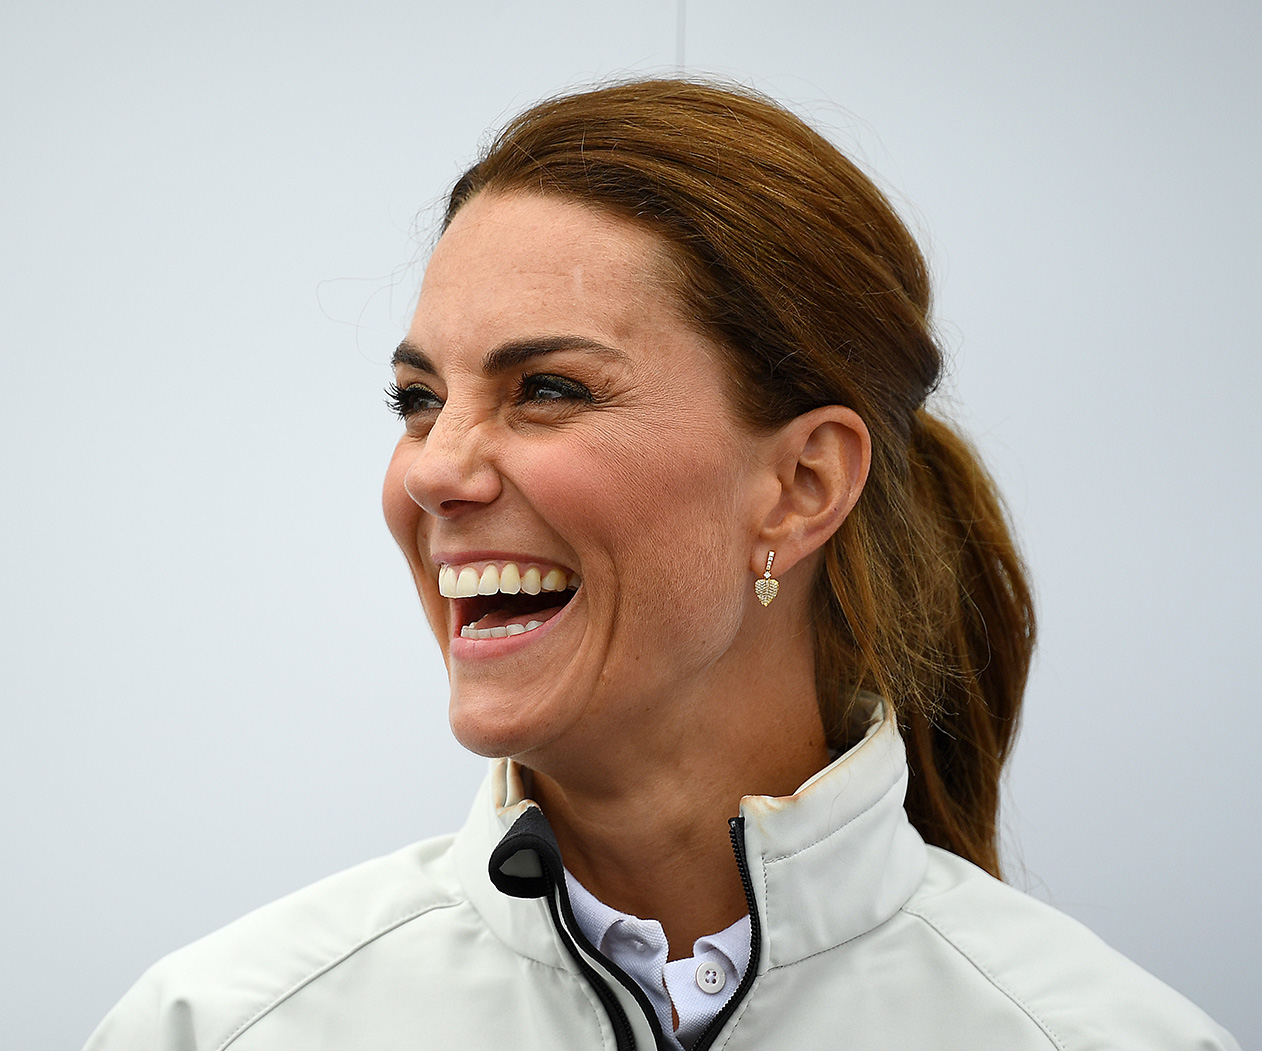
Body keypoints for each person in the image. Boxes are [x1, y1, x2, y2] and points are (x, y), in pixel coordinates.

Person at [84, 79, 1239, 1051]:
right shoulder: (221, 1027)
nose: (434, 470)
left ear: (801, 484)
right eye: (417, 400)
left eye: (545, 389)